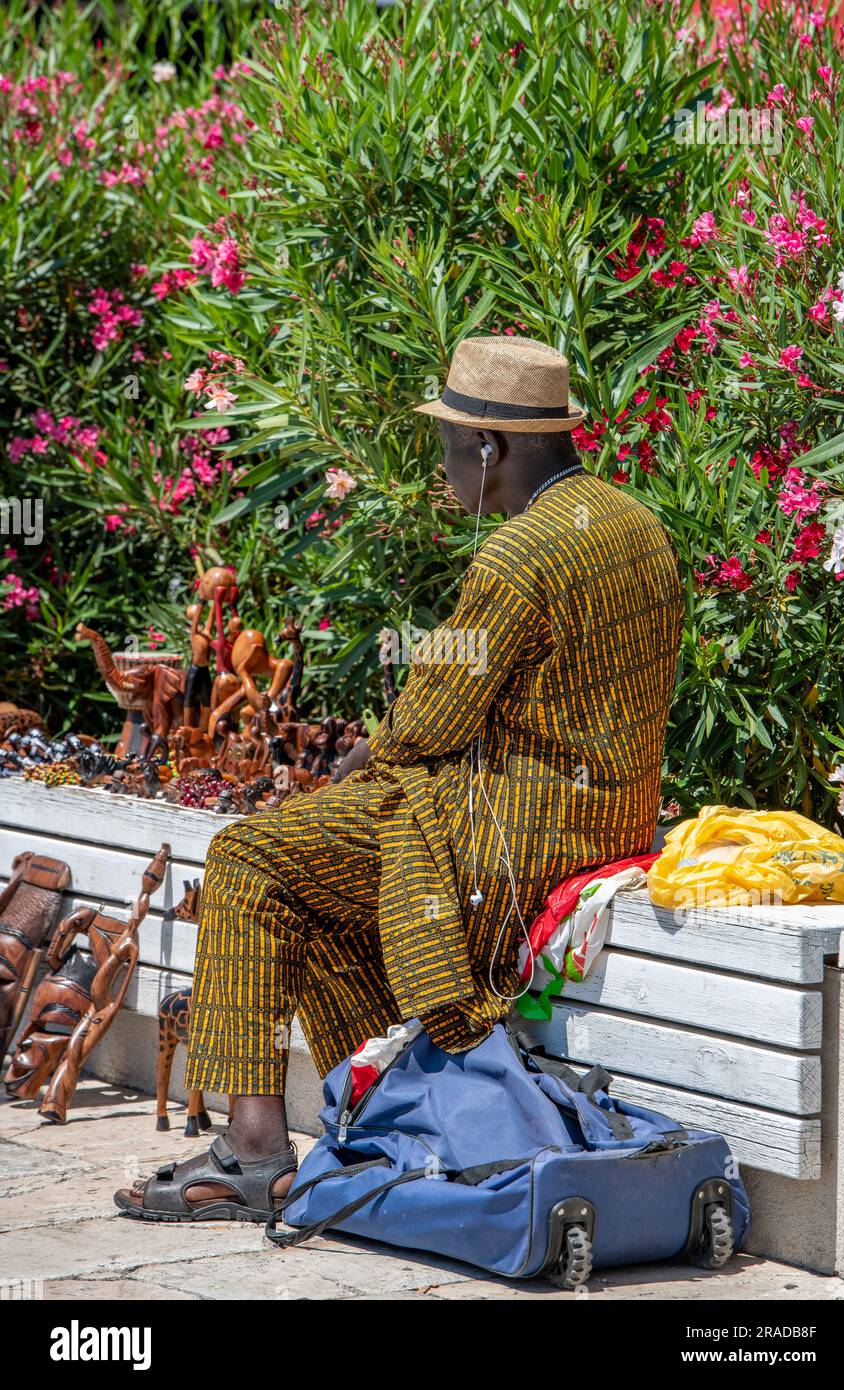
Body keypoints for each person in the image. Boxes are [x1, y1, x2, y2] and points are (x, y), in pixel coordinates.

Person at [115, 334, 684, 1222]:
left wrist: (347, 766)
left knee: (247, 858)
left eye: (451, 444)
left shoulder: (518, 556)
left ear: (492, 447)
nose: (447, 465)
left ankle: (256, 1152)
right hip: (606, 826)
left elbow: (426, 722)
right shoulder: (637, 527)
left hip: (505, 845)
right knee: (313, 882)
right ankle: (382, 1110)